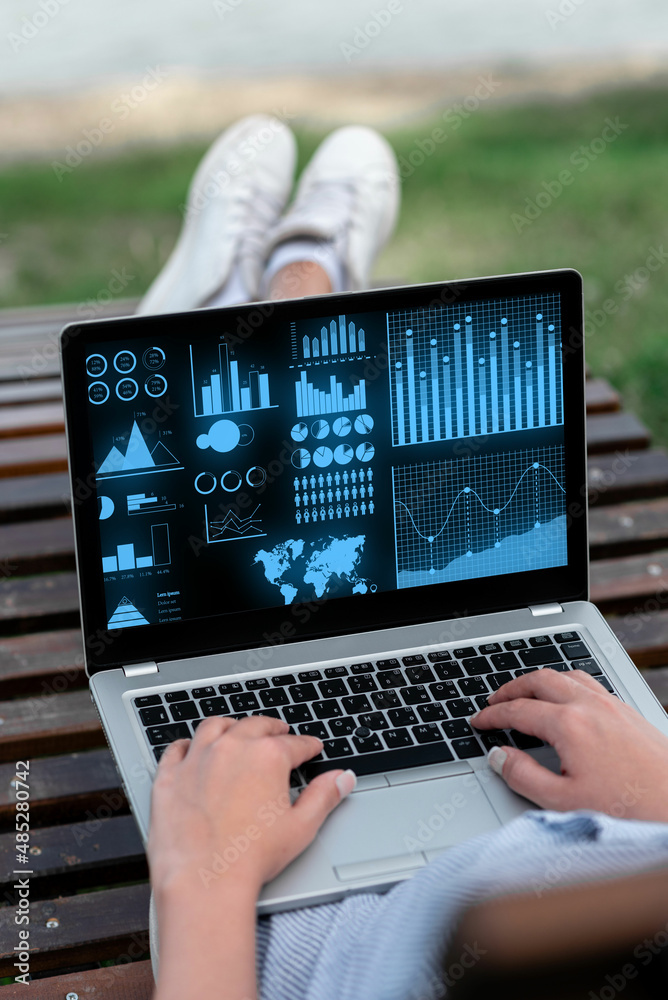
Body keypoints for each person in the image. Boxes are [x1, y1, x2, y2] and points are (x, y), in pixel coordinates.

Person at [141, 116, 668, 1000]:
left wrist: (204, 880)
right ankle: (291, 274)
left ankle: (259, 288)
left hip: (272, 926)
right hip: (609, 827)